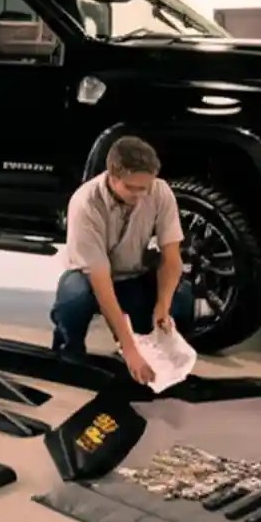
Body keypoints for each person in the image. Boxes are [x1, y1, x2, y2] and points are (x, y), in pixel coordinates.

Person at [50, 136, 194, 384]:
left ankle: (163, 355)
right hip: (92, 281)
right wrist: (128, 347)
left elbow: (172, 259)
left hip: (133, 276)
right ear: (112, 176)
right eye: (131, 188)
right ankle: (69, 353)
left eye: (144, 188)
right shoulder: (85, 203)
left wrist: (163, 306)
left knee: (182, 295)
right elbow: (100, 280)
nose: (139, 195)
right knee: (74, 297)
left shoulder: (160, 192)